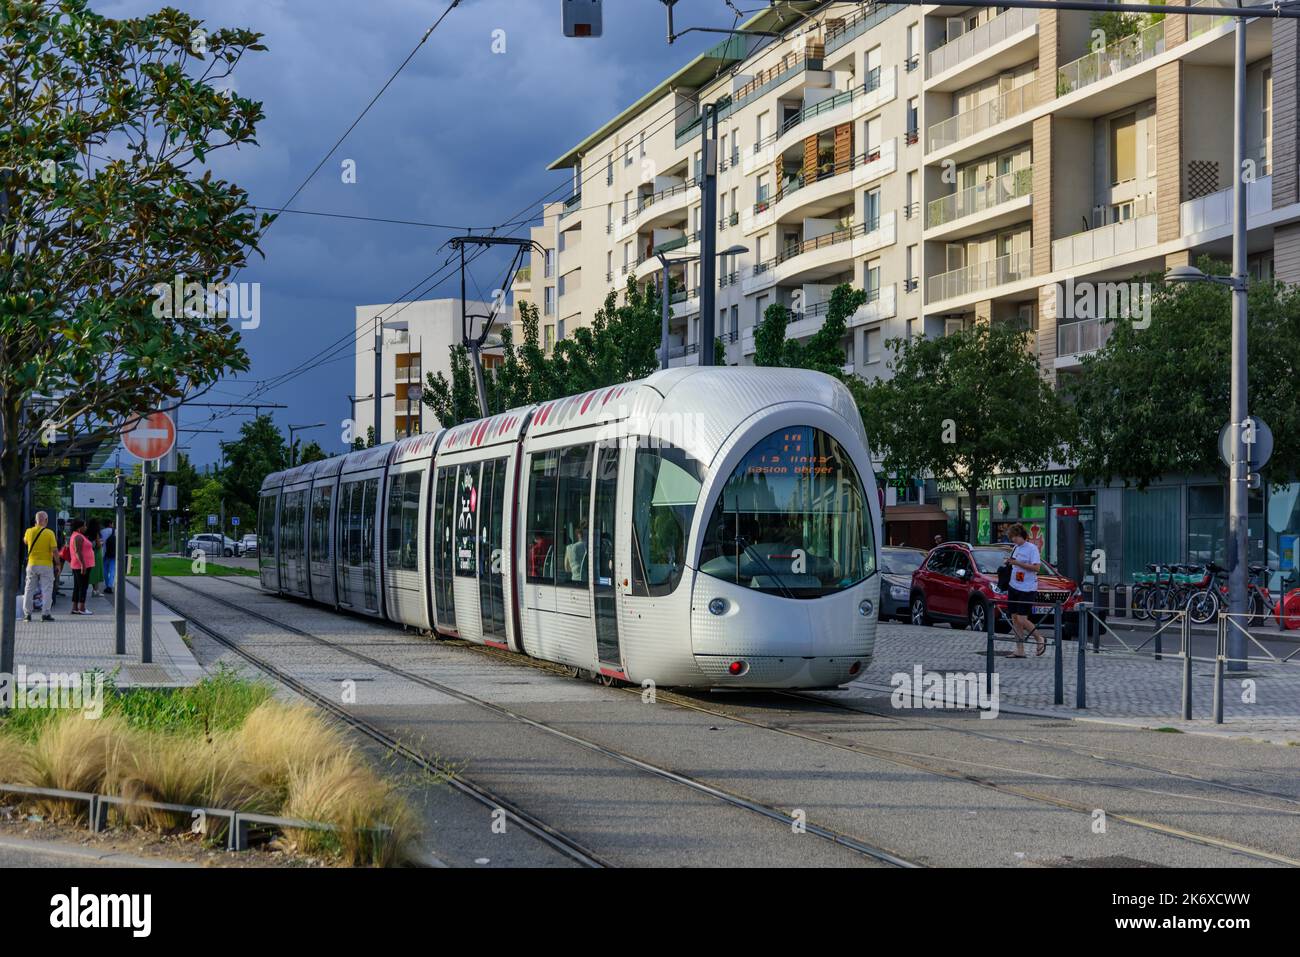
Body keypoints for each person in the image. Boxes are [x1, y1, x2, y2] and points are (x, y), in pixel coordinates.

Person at [1003, 522, 1046, 657]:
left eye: (1015, 536)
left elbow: (1036, 568)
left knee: (1022, 619)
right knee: (1015, 619)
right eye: (1012, 537)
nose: (1013, 539)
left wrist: (1017, 563)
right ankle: (1020, 649)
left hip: (1027, 588)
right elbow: (1014, 564)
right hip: (1014, 585)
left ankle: (1039, 638)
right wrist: (1009, 562)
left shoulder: (1032, 549)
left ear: (1021, 535)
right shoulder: (1015, 548)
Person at [22, 511, 60, 622]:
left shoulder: (29, 531)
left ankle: (27, 615)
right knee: (47, 590)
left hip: (32, 564)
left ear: (35, 520)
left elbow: (25, 541)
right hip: (46, 565)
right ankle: (45, 614)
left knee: (29, 589)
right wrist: (57, 563)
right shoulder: (49, 533)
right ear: (46, 520)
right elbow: (54, 550)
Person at [66, 519, 96, 616]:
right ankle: (82, 608)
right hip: (81, 565)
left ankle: (75, 608)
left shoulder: (78, 535)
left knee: (78, 586)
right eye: (84, 526)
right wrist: (83, 564)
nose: (86, 527)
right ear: (79, 528)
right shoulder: (78, 537)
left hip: (79, 565)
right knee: (83, 586)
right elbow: (78, 551)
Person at [86, 518, 103, 597]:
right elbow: (98, 545)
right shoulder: (96, 533)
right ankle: (96, 590)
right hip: (96, 553)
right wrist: (101, 543)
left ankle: (94, 589)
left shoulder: (86, 532)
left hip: (89, 553)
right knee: (97, 572)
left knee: (92, 571)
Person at [100, 518, 116, 595]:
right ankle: (110, 586)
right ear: (110, 524)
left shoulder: (101, 532)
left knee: (105, 570)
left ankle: (107, 586)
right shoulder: (115, 531)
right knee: (112, 570)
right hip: (113, 553)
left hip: (104, 553)